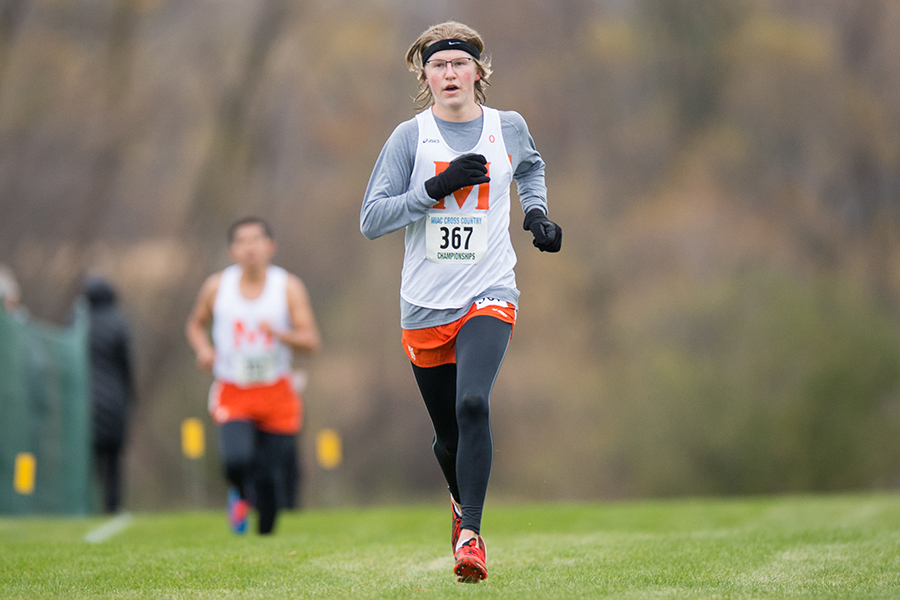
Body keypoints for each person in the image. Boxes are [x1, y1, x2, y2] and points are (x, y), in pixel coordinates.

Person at [360, 21, 561, 583]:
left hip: (490, 290)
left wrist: (536, 213)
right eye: (438, 65)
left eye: (459, 64)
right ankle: (458, 504)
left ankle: (471, 536)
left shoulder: (507, 127)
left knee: (474, 403)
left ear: (479, 71)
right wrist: (432, 191)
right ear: (425, 76)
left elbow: (530, 166)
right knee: (448, 434)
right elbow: (371, 220)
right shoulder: (409, 138)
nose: (449, 74)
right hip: (424, 305)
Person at [185, 217, 320, 535]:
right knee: (236, 460)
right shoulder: (217, 287)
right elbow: (195, 324)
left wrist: (280, 333)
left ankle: (264, 538)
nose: (250, 247)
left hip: (276, 391)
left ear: (270, 246)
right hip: (234, 388)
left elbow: (311, 341)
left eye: (257, 240)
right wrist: (204, 349)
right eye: (242, 241)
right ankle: (241, 495)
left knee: (270, 477)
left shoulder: (287, 287)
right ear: (232, 249)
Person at [83, 274, 135, 514]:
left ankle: (83, 504)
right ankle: (112, 505)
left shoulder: (77, 321)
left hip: (81, 400)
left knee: (85, 456)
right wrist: (130, 395)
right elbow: (126, 365)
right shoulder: (118, 322)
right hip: (114, 399)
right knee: (113, 457)